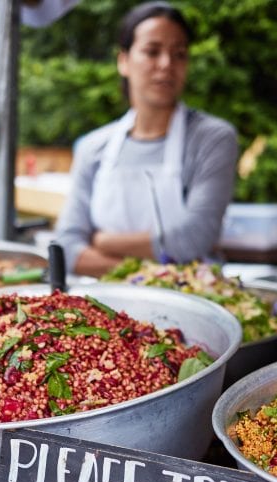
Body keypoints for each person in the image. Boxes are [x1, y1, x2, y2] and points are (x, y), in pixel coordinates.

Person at [53, 1, 238, 277]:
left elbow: (196, 236)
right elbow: (65, 248)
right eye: (152, 51)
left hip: (192, 303)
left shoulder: (212, 138)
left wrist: (103, 242)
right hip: (102, 306)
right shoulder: (93, 148)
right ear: (123, 61)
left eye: (179, 54)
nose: (166, 64)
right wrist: (154, 276)